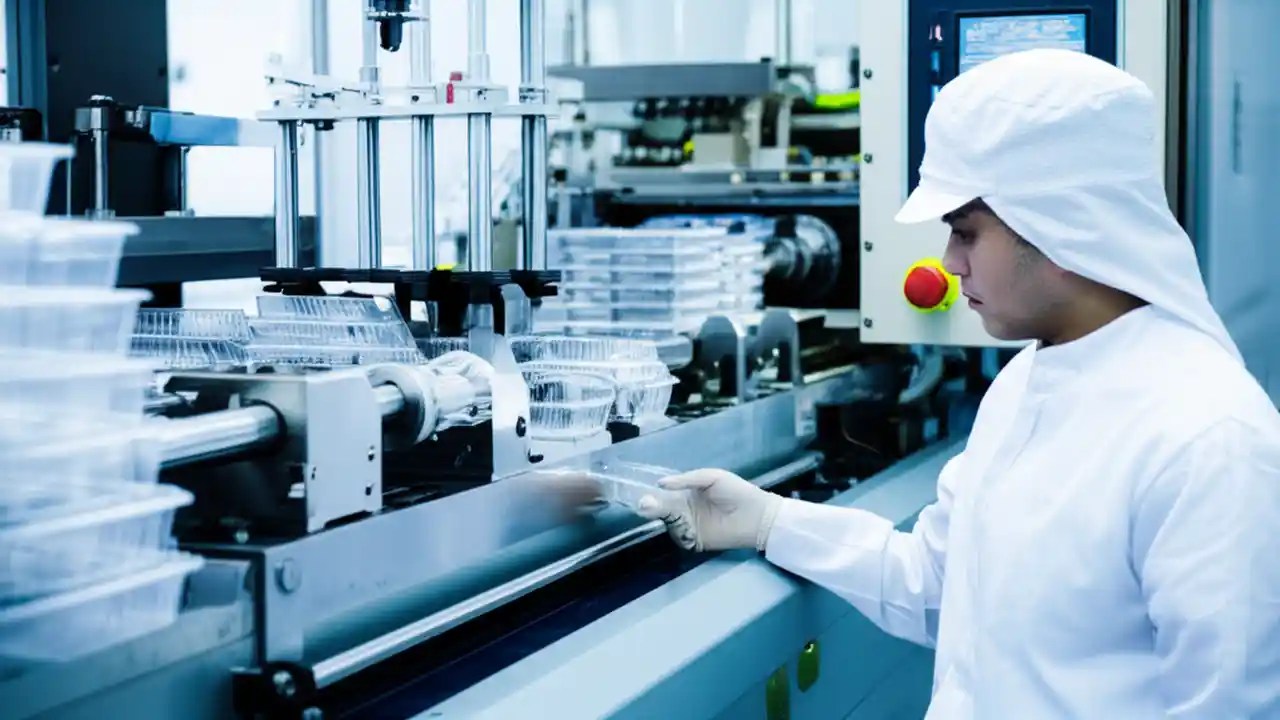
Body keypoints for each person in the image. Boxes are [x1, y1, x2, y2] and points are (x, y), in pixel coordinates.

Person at [636, 48, 1280, 718]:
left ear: (1062, 226)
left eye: (965, 231)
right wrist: (770, 520)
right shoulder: (1028, 380)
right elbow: (941, 589)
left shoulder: (1208, 438)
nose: (948, 262)